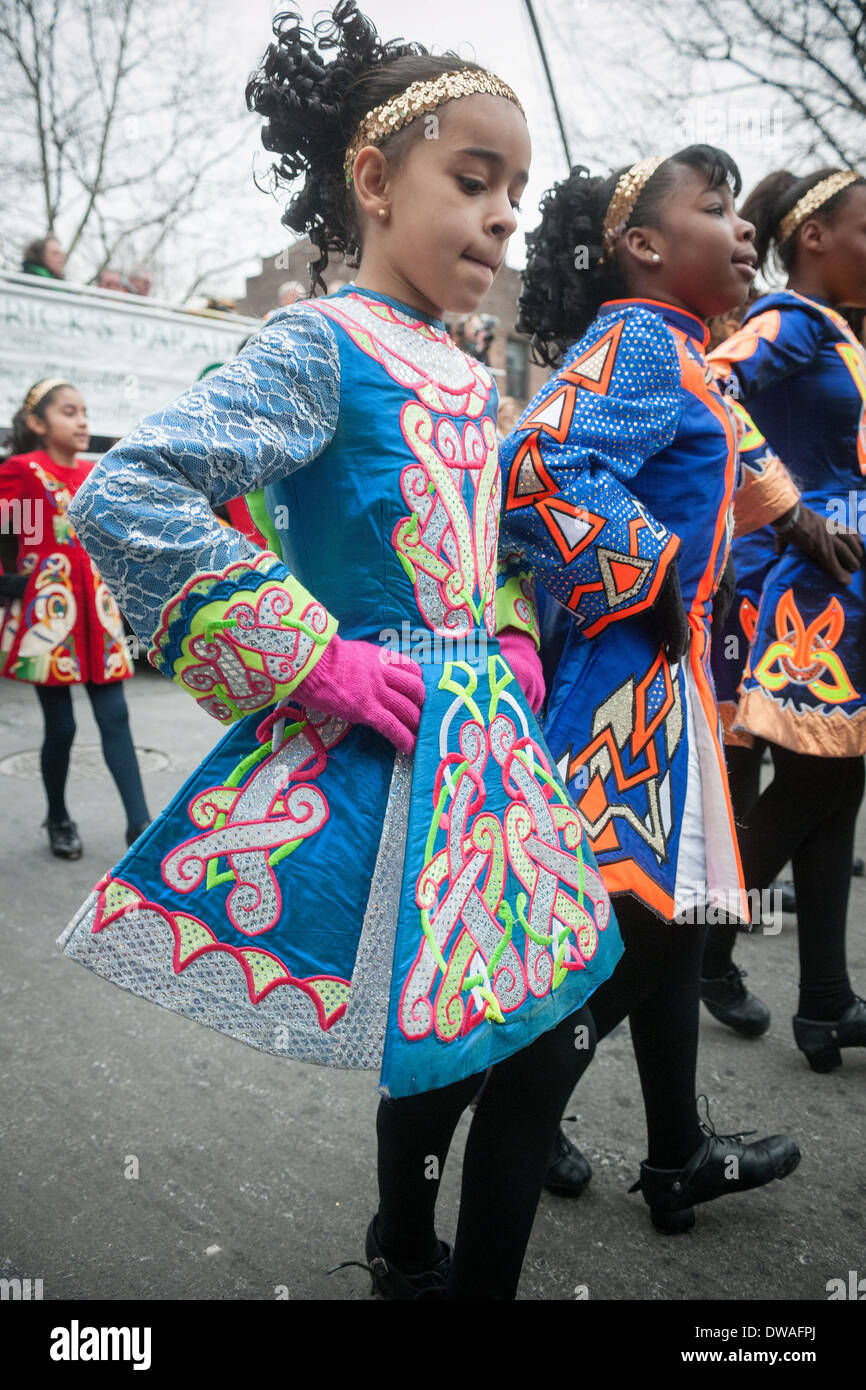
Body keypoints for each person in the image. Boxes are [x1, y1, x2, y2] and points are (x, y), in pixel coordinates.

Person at [59, 2, 623, 1301]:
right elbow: (127, 491)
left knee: (496, 1030)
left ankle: (403, 1245)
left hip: (493, 741)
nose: (498, 218)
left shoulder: (469, 369)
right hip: (398, 735)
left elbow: (495, 544)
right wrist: (310, 658)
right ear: (373, 181)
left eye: (515, 194)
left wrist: (518, 630)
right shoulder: (319, 344)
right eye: (470, 180)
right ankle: (433, 1262)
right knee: (503, 1039)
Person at [500, 147, 802, 1233]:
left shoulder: (682, 351)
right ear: (640, 247)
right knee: (630, 935)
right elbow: (534, 468)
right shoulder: (638, 339)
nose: (739, 226)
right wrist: (651, 571)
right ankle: (506, 1118)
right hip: (618, 690)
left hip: (657, 684)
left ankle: (674, 1152)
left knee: (666, 927)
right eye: (714, 209)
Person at [701, 166, 866, 1071]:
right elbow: (708, 391)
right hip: (794, 596)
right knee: (798, 786)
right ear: (813, 238)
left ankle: (826, 1000)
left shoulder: (840, 335)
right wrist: (792, 511)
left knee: (837, 784)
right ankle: (683, 947)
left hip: (843, 592)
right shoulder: (789, 325)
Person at [0, 380, 151, 857]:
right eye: (69, 412)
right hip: (50, 615)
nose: (83, 421)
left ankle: (140, 828)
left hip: (99, 613)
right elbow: (8, 529)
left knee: (116, 715)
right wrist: (8, 581)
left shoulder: (95, 473)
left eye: (85, 411)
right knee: (61, 727)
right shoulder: (22, 472)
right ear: (37, 424)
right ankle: (59, 817)